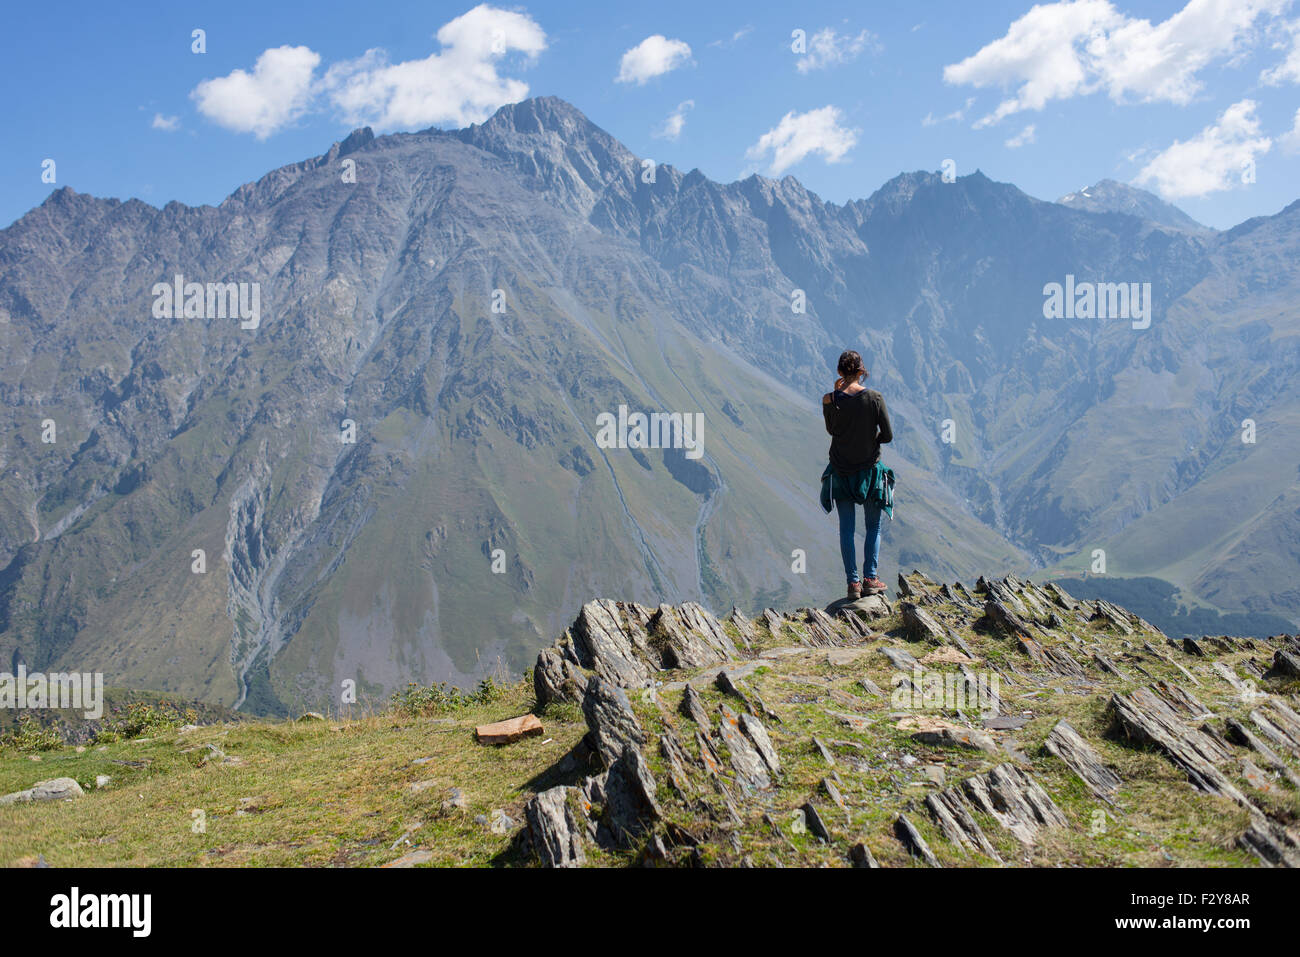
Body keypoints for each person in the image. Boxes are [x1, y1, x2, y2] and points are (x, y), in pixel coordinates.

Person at [822, 350, 893, 600]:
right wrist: (871, 441)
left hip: (841, 471)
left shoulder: (829, 400)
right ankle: (870, 579)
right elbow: (888, 434)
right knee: (873, 525)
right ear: (862, 371)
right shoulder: (875, 398)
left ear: (840, 372)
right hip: (870, 471)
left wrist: (834, 394)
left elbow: (832, 430)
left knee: (846, 529)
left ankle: (853, 584)